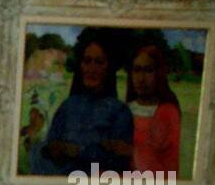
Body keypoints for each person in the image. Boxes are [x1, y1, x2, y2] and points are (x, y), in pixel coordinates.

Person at [29, 30, 134, 175]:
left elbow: (120, 162)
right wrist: (53, 150)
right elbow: (50, 147)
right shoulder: (68, 106)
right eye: (87, 61)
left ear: (108, 68)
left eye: (99, 62)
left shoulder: (119, 111)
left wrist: (78, 151)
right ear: (81, 66)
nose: (92, 68)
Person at [125, 43, 181, 175]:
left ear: (159, 73)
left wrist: (132, 151)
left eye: (148, 70)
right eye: (136, 70)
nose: (141, 79)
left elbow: (169, 169)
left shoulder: (168, 113)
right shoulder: (124, 110)